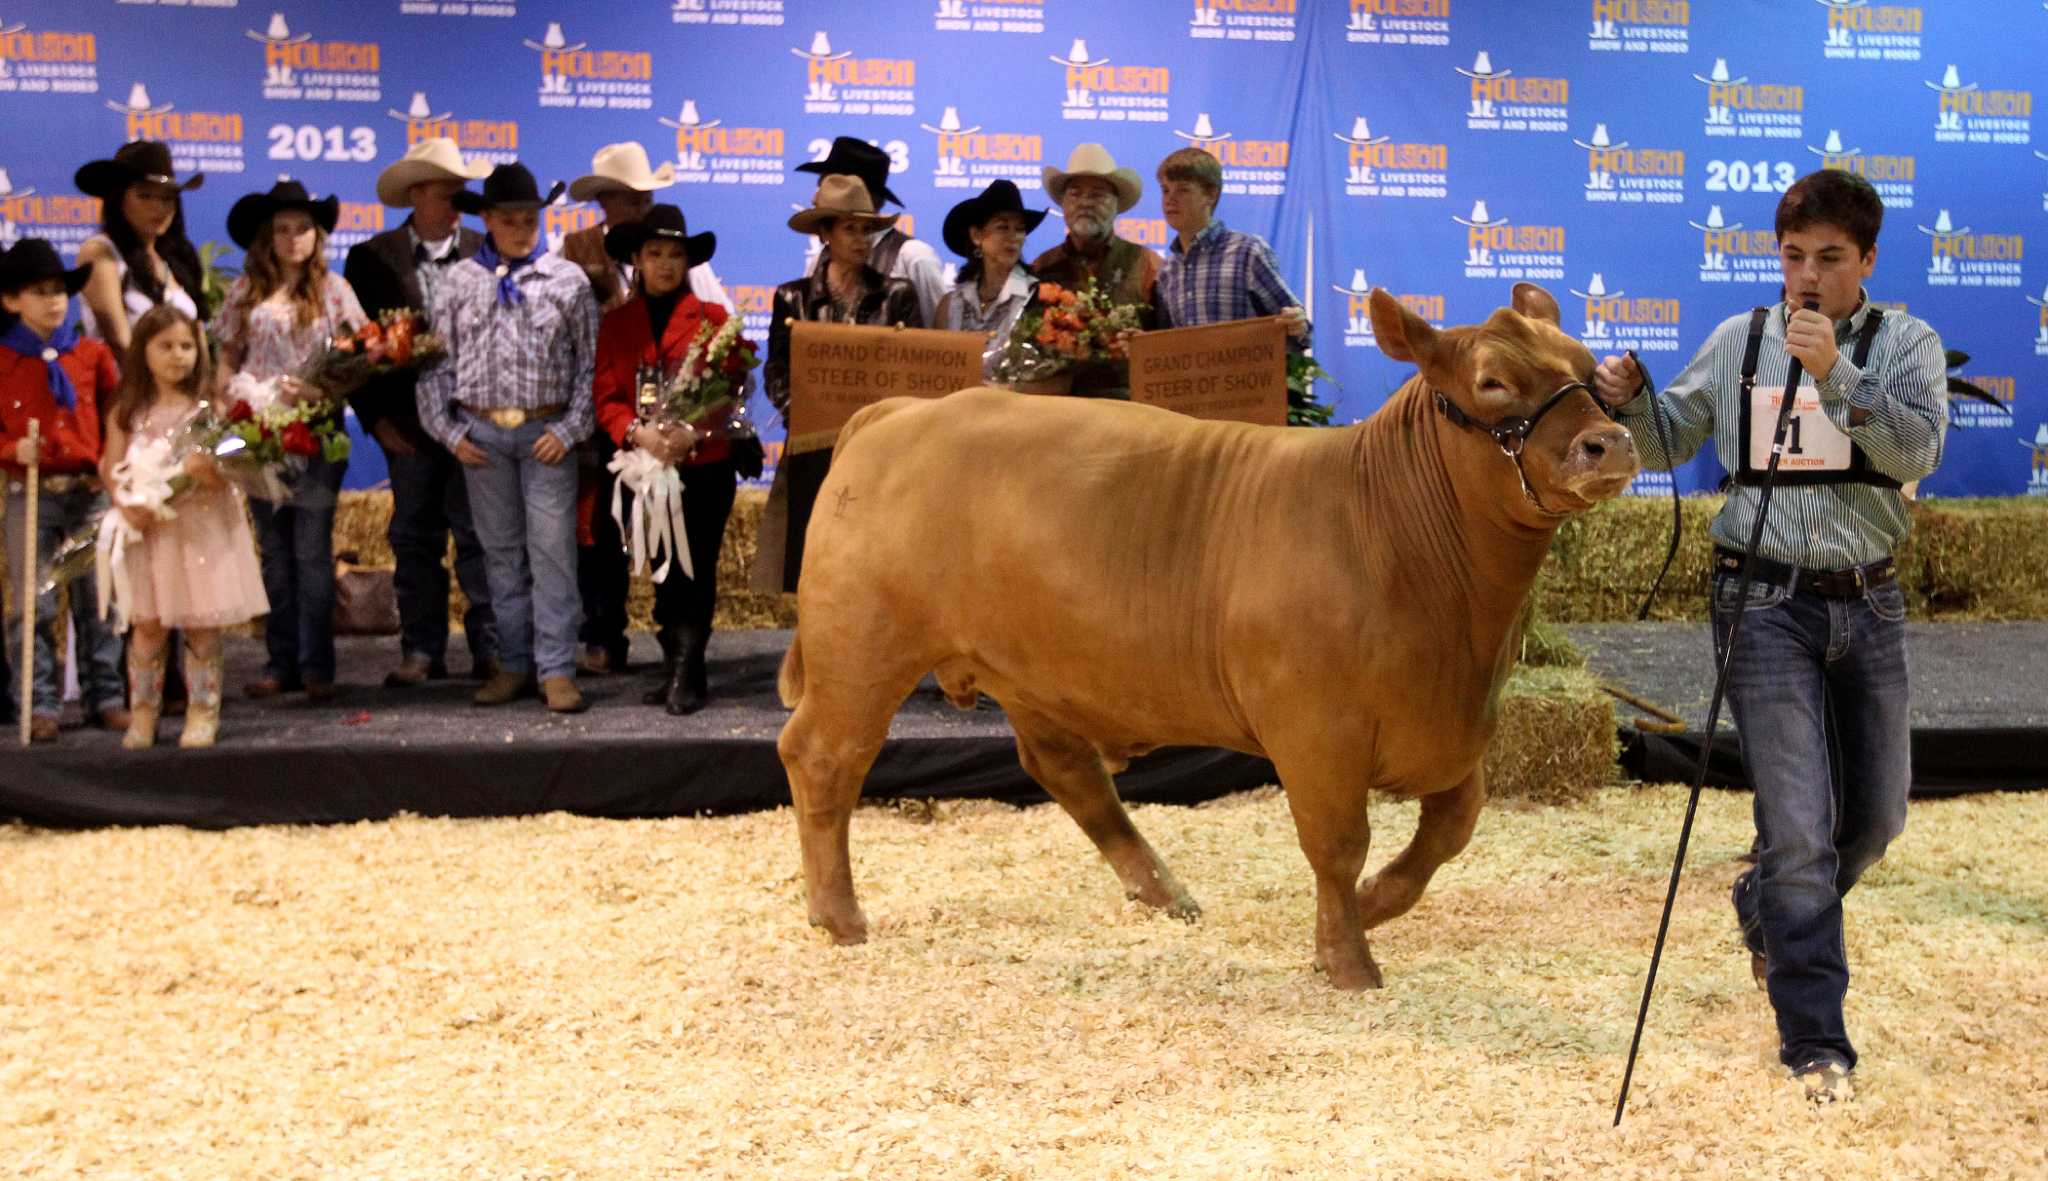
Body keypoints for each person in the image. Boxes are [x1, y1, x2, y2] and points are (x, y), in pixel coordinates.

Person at [1592, 169, 1947, 1104]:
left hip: (1868, 602)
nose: (1807, 276)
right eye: (1794, 256)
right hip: (1758, 601)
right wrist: (1627, 397)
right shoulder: (1739, 339)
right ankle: (1815, 1039)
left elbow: (1915, 453)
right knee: (1796, 829)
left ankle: (1764, 909)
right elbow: (1669, 439)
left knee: (1872, 821)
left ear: (1866, 261)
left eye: (1829, 258)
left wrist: (1836, 371)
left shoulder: (1905, 343)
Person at [416, 163, 598, 714]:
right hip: (483, 434)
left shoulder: (568, 281)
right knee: (498, 556)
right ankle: (512, 662)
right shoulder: (458, 282)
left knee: (551, 553)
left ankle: (557, 667)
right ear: (487, 221)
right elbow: (433, 366)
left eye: (530, 219)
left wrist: (569, 429)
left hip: (546, 431)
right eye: (510, 220)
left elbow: (591, 366)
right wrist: (449, 433)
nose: (523, 229)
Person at [345, 137, 500, 690]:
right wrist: (378, 421)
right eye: (445, 192)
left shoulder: (488, 249)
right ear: (416, 194)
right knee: (414, 537)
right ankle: (421, 648)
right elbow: (355, 348)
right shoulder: (371, 259)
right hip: (408, 426)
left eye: (460, 192)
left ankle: (490, 649)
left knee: (480, 535)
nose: (456, 202)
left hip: (474, 422)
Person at [214, 180, 365, 703]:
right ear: (268, 238)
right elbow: (228, 353)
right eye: (283, 230)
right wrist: (223, 403)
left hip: (318, 432)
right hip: (257, 436)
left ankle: (316, 665)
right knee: (275, 554)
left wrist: (327, 386)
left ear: (317, 236)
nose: (294, 238)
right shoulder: (244, 292)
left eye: (303, 228)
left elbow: (364, 357)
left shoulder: (336, 290)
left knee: (311, 548)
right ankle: (280, 662)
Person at [591, 205, 739, 714]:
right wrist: (638, 434)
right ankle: (675, 662)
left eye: (676, 255)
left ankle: (687, 669)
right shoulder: (616, 324)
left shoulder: (715, 321)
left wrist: (691, 432)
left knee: (694, 568)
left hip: (704, 466)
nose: (666, 264)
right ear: (637, 258)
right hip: (644, 466)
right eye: (655, 254)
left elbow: (731, 391)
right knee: (661, 567)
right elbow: (606, 397)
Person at [99, 304, 268, 748]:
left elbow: (231, 470)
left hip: (199, 528)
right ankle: (143, 714)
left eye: (186, 346)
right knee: (148, 625)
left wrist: (207, 470)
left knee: (200, 621)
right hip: (149, 531)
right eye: (166, 346)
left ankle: (202, 711)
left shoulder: (208, 407)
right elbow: (109, 464)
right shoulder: (127, 407)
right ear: (143, 351)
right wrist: (126, 502)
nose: (178, 356)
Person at [756, 176, 921, 594]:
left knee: (879, 556)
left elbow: (914, 371)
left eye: (867, 229)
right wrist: (807, 412)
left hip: (880, 448)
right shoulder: (791, 298)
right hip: (814, 445)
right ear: (825, 233)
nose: (862, 239)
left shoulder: (898, 294)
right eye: (850, 228)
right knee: (813, 556)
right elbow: (777, 369)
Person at [0, 238, 128, 741]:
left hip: (86, 489)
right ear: (12, 302)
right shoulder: (4, 359)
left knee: (100, 598)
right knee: (33, 602)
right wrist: (13, 452)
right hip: (29, 492)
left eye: (60, 291)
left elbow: (114, 413)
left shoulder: (90, 355)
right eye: (40, 292)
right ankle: (38, 701)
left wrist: (109, 463)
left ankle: (107, 695)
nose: (55, 301)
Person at [1028, 143, 1163, 397]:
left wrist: (1143, 347)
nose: (1085, 204)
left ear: (1117, 205)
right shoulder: (1040, 267)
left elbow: (1170, 344)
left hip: (1127, 407)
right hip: (1056, 406)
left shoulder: (1148, 265)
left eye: (1098, 195)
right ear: (1063, 205)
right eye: (1075, 194)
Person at [1151, 148, 1311, 346]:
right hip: (1192, 377)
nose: (1170, 199)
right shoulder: (1167, 271)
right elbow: (1168, 345)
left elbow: (1297, 330)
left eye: (1183, 189)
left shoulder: (1246, 251)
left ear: (1211, 194)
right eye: (1165, 190)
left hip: (1247, 375)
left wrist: (1296, 323)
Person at [72, 141, 209, 349]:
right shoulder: (101, 251)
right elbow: (120, 342)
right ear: (119, 199)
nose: (158, 207)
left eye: (167, 198)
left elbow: (198, 338)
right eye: (144, 196)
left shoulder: (178, 257)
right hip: (126, 380)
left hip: (181, 380)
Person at [795, 137, 946, 324]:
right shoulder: (823, 258)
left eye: (826, 186)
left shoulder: (913, 256)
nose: (814, 198)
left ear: (859, 191)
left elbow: (941, 334)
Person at [933, 179, 1045, 373]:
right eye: (1003, 227)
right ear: (977, 236)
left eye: (1019, 229)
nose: (1014, 236)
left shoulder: (1036, 297)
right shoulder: (951, 304)